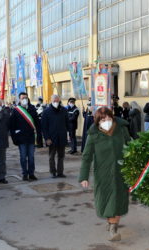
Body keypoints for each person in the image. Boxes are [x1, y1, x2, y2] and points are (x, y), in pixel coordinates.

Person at [79, 107, 131, 241]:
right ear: (98, 121)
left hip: (121, 171)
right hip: (103, 173)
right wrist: (84, 176)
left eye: (109, 118)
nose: (107, 121)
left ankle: (113, 228)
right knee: (106, 199)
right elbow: (87, 156)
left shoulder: (121, 129)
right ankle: (111, 222)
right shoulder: (93, 134)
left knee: (118, 199)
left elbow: (131, 147)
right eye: (103, 119)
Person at [10, 92, 40, 181]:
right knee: (23, 157)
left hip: (31, 138)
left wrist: (38, 136)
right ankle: (24, 174)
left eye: (26, 98)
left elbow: (37, 123)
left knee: (31, 157)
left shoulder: (32, 109)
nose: (24, 99)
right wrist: (15, 138)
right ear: (19, 99)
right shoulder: (16, 110)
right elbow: (12, 125)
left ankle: (31, 174)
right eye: (22, 98)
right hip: (21, 138)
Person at [42, 95, 69, 178]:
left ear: (59, 100)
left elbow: (67, 124)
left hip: (61, 137)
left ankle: (60, 172)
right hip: (51, 138)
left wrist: (67, 134)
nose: (56, 102)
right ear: (51, 101)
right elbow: (44, 126)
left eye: (57, 101)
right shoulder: (46, 111)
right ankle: (53, 172)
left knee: (61, 156)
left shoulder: (64, 110)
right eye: (54, 101)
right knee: (51, 156)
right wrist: (47, 138)